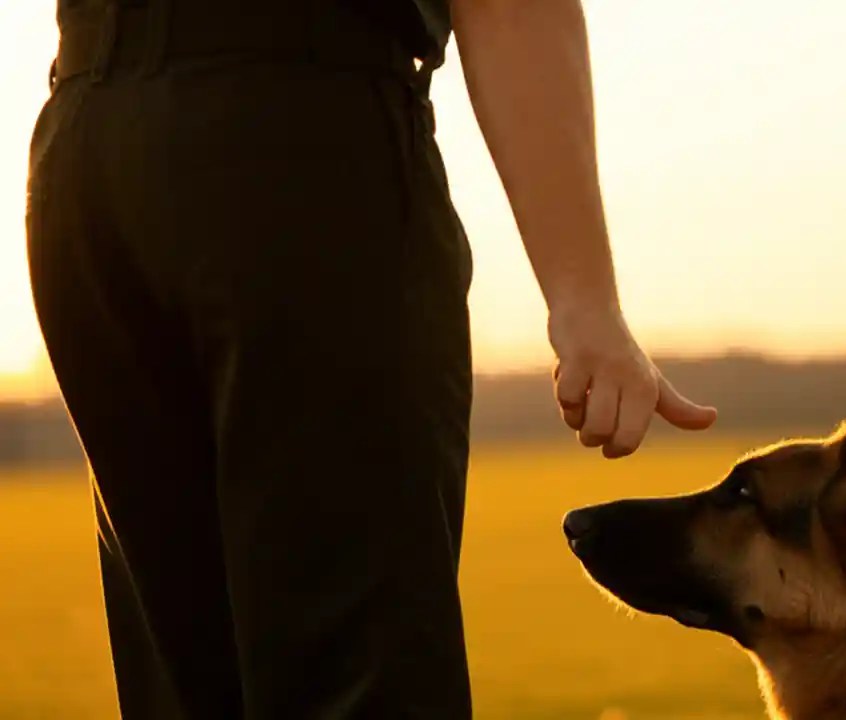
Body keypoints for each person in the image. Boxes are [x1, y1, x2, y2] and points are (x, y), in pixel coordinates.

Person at [26, 0, 717, 717]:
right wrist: (586, 302)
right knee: (361, 687)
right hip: (303, 136)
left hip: (88, 146)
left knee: (185, 690)